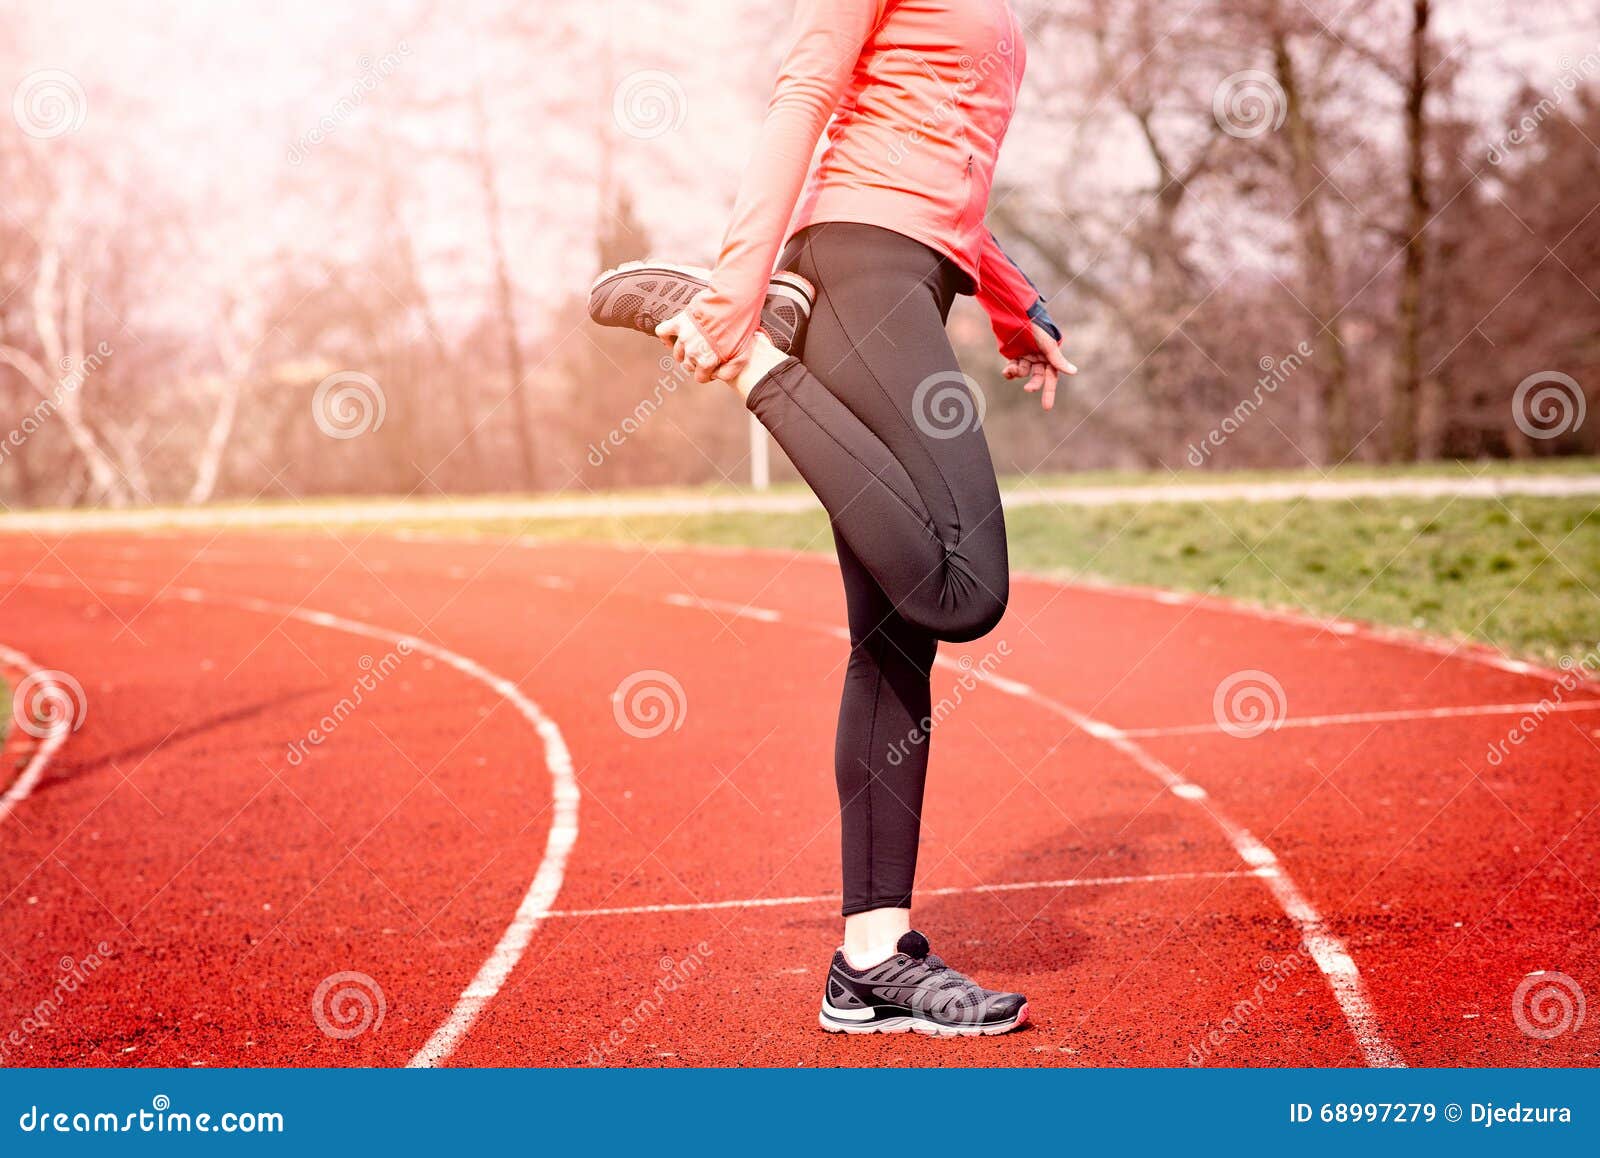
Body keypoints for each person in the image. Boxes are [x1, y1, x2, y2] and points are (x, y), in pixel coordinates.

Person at [588, 0, 1074, 1036]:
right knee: (962, 587)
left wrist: (1011, 304)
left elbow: (939, 160)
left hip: (904, 275)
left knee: (894, 641)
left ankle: (869, 960)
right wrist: (733, 295)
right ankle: (760, 355)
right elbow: (804, 95)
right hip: (860, 271)